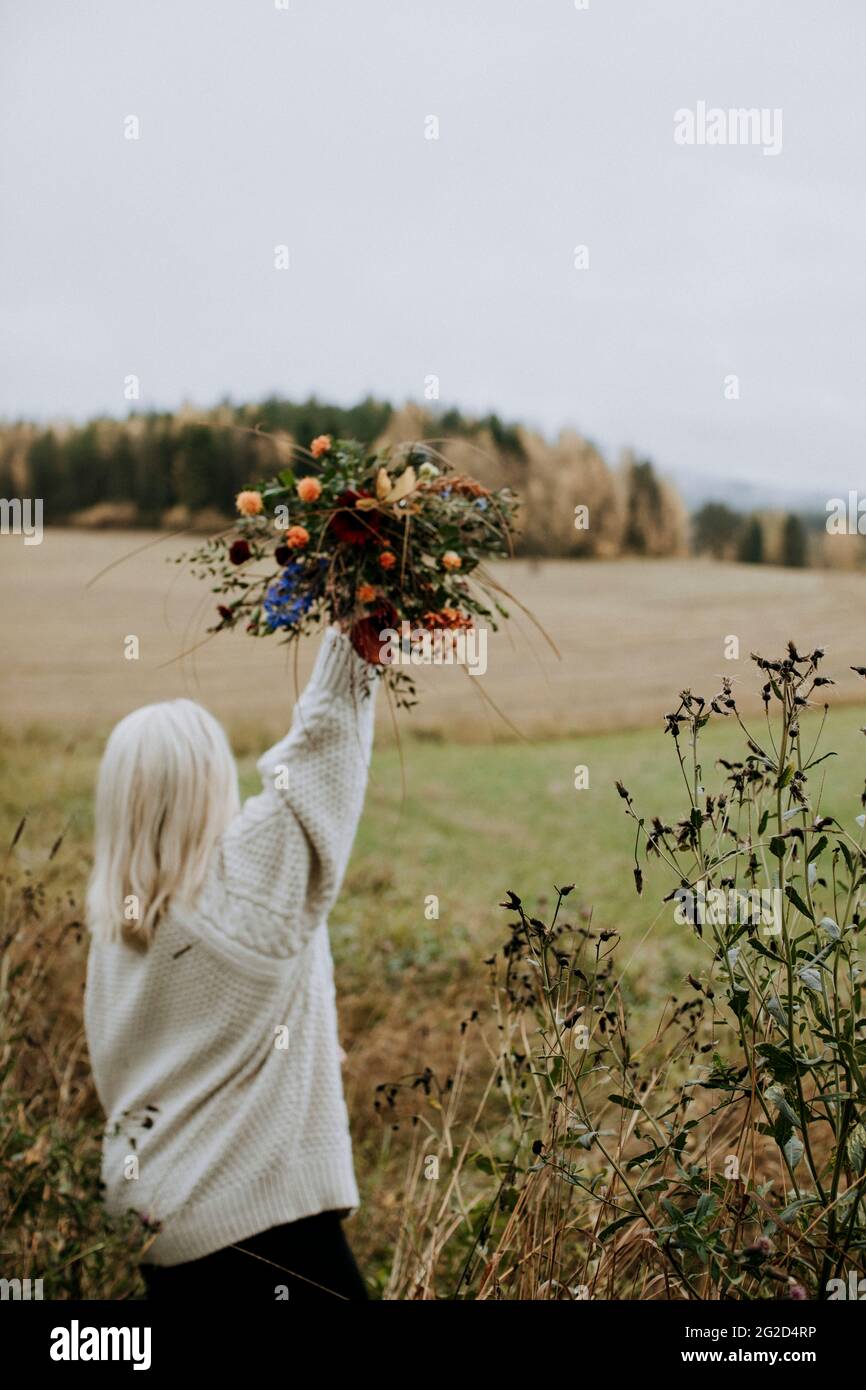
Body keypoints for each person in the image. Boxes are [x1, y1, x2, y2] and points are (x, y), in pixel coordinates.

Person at [84, 626, 379, 1300]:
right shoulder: (240, 889)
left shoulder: (113, 933)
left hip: (162, 1239)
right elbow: (326, 743)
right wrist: (362, 614)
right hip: (268, 1235)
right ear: (210, 783)